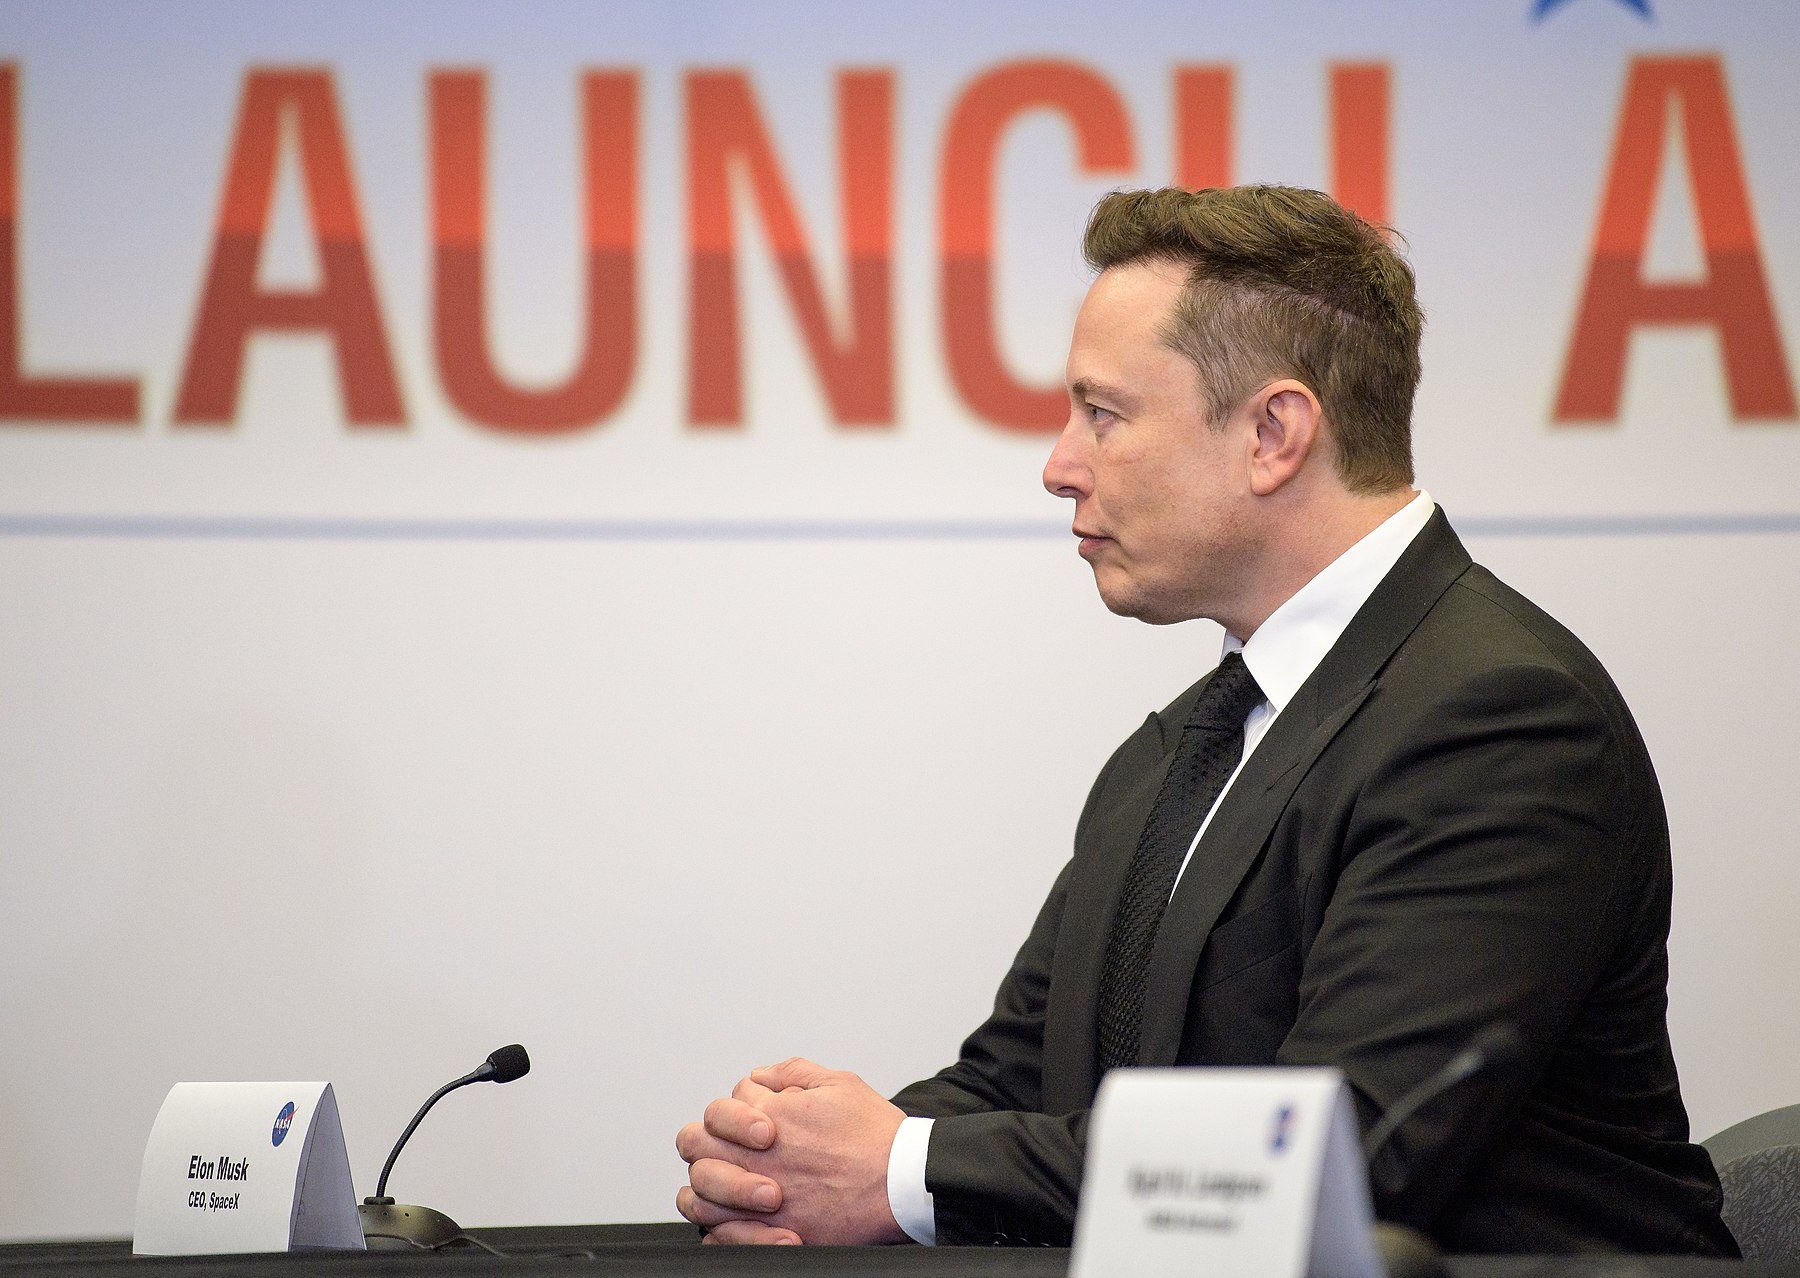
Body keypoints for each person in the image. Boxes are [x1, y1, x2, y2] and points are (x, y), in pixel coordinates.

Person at [673, 185, 1737, 1255]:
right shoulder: (1189, 742)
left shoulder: (1499, 721)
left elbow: (1347, 1153)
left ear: (1273, 434)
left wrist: (900, 1170)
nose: (1059, 466)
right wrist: (793, 1168)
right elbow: (1023, 1078)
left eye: (1104, 414)